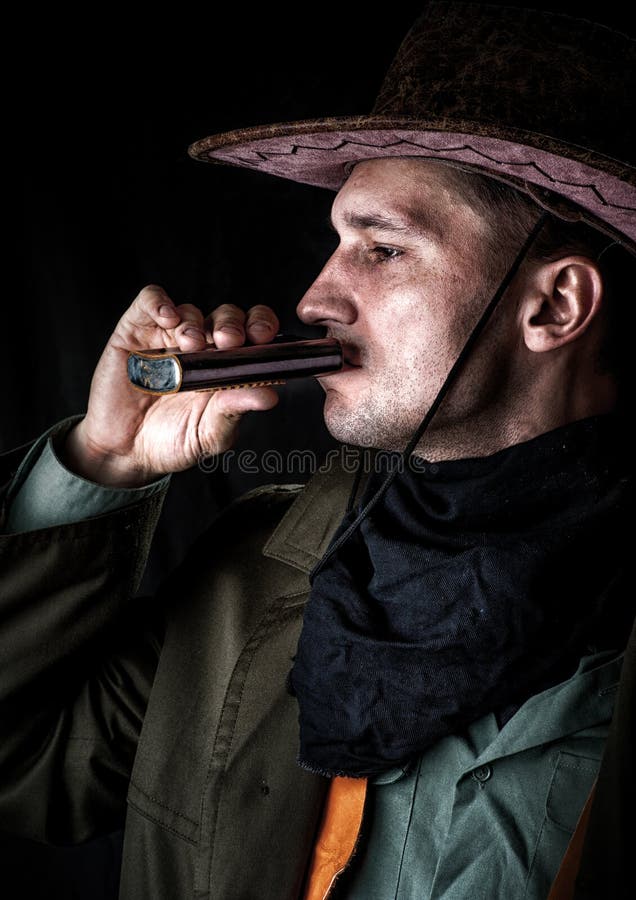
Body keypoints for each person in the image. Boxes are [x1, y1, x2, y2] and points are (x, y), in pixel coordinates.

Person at [1, 3, 634, 899]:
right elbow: (23, 767)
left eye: (380, 249)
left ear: (556, 305)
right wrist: (104, 461)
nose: (314, 299)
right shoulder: (254, 573)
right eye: (337, 243)